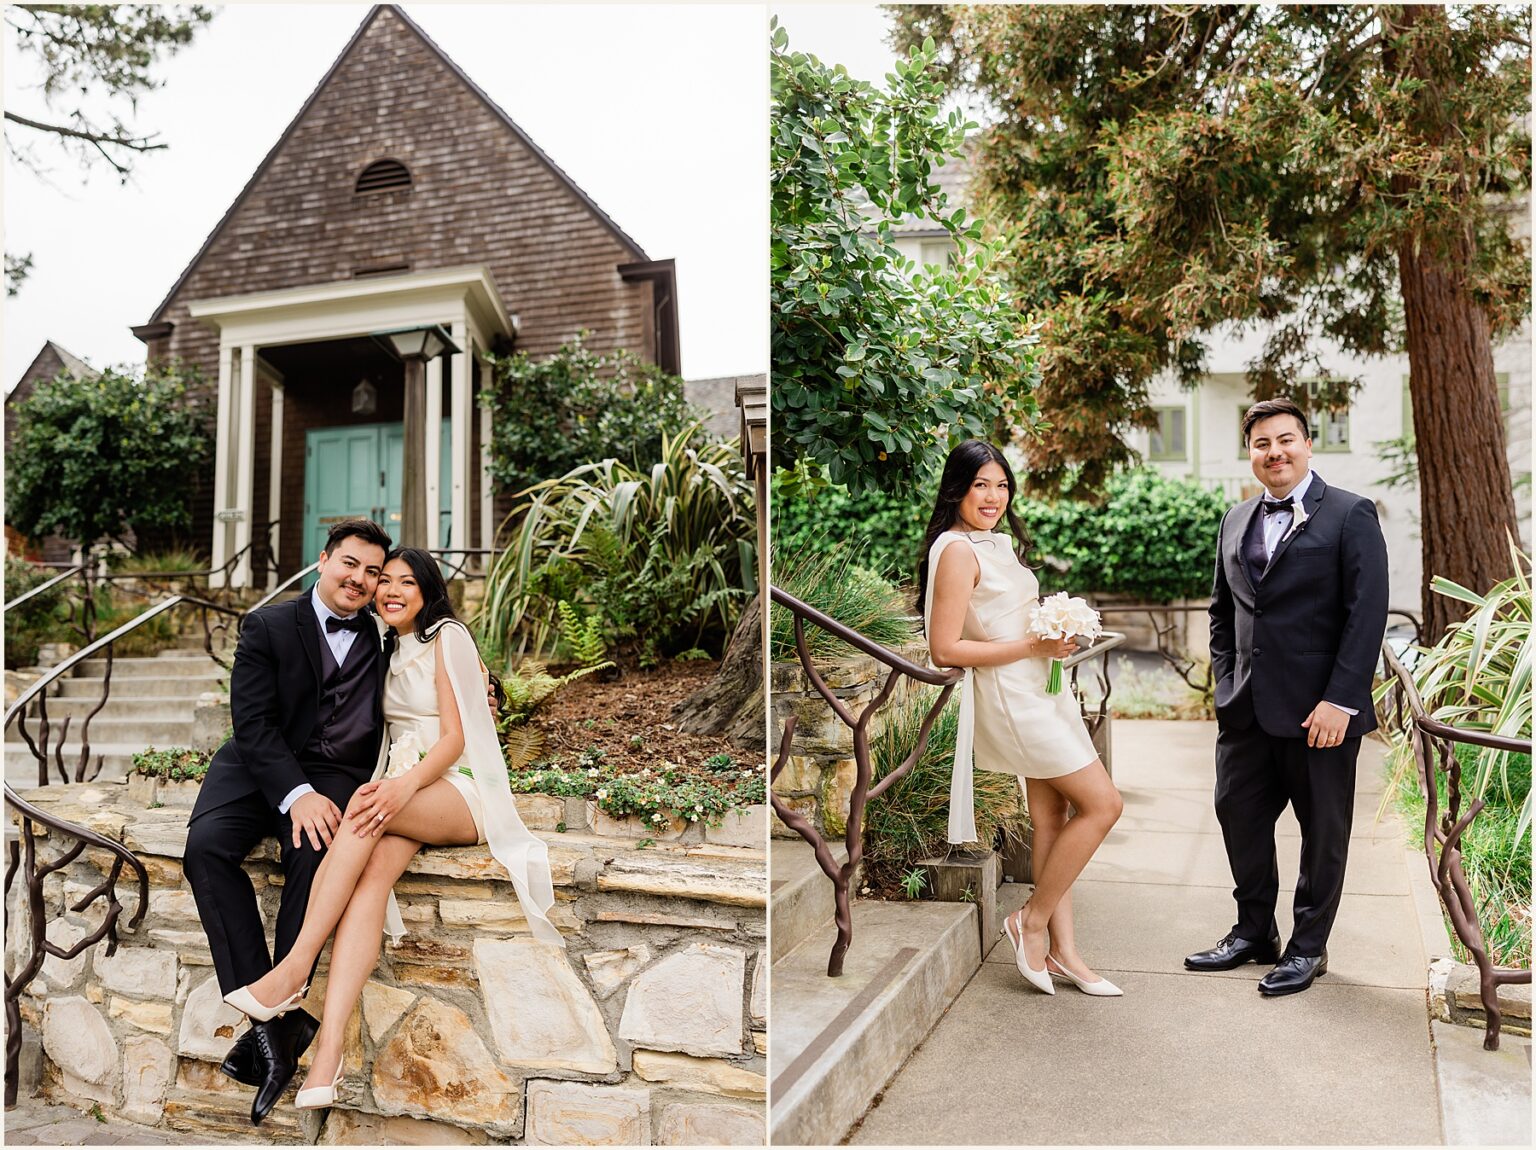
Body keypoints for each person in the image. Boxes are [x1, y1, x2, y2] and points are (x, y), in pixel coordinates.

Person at [220, 546, 561, 1110]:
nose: (392, 591)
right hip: (408, 788)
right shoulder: (383, 643)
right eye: (386, 581)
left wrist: (402, 786)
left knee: (360, 810)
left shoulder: (449, 636)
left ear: (428, 591)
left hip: (458, 786)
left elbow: (455, 738)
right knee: (370, 883)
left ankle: (294, 970)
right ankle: (328, 1057)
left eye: (407, 582)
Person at [184, 519, 393, 1124]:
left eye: (372, 572)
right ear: (323, 561)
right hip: (257, 767)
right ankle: (277, 1024)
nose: (359, 579)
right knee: (205, 849)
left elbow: (444, 675)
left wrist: (488, 692)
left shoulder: (388, 637)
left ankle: (275, 1013)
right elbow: (251, 723)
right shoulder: (269, 624)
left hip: (335, 773)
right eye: (349, 564)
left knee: (314, 851)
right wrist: (295, 792)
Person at [1186, 397, 1388, 996]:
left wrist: (1341, 700)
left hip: (1320, 715)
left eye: (1285, 440)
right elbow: (1222, 613)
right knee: (1237, 815)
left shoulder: (1350, 514)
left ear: (1307, 444)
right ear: (1250, 453)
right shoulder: (1234, 519)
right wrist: (1226, 682)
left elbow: (1366, 614)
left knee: (1322, 834)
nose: (1274, 453)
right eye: (1261, 444)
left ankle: (1307, 948)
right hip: (1246, 710)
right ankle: (1254, 932)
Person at [919, 439, 1124, 997]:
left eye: (1001, 485)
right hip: (1014, 697)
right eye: (980, 485)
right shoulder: (956, 551)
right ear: (956, 489)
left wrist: (1054, 632)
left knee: (1052, 819)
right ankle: (1029, 922)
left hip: (1042, 688)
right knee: (1104, 804)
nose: (993, 497)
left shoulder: (996, 544)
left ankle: (1065, 953)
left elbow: (1010, 619)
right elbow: (945, 648)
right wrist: (1034, 647)